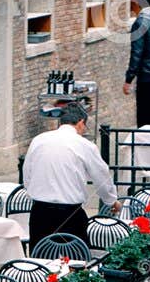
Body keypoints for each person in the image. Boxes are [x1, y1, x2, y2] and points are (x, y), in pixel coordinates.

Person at [21, 103, 116, 249]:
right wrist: (111, 201)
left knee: (41, 261)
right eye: (85, 126)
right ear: (81, 123)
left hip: (40, 213)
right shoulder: (85, 145)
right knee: (75, 261)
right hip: (70, 214)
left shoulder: (38, 140)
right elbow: (101, 176)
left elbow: (27, 175)